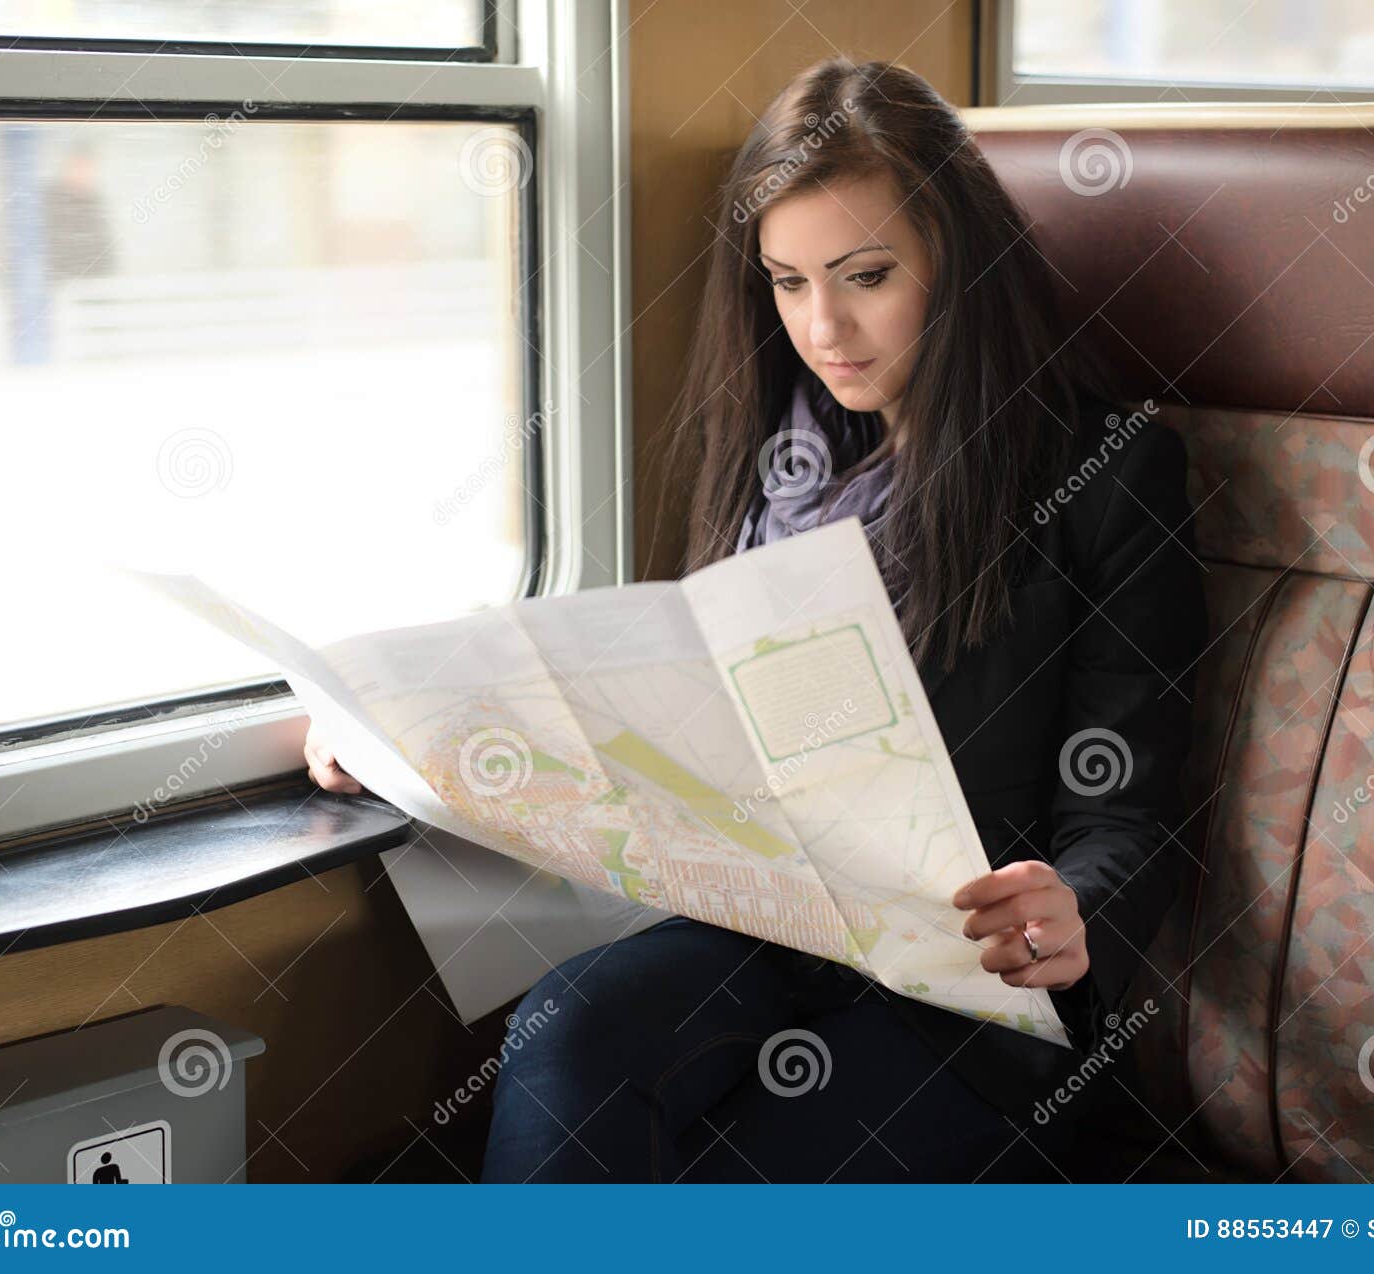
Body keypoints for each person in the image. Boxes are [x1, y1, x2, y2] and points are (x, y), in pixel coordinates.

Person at [307, 55, 1207, 1182]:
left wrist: (1074, 908)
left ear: (959, 263)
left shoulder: (1108, 475)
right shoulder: (772, 460)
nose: (822, 326)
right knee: (565, 1026)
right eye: (785, 283)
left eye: (865, 275)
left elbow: (1132, 807)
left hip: (966, 990)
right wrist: (401, 731)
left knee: (715, 1162)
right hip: (768, 930)